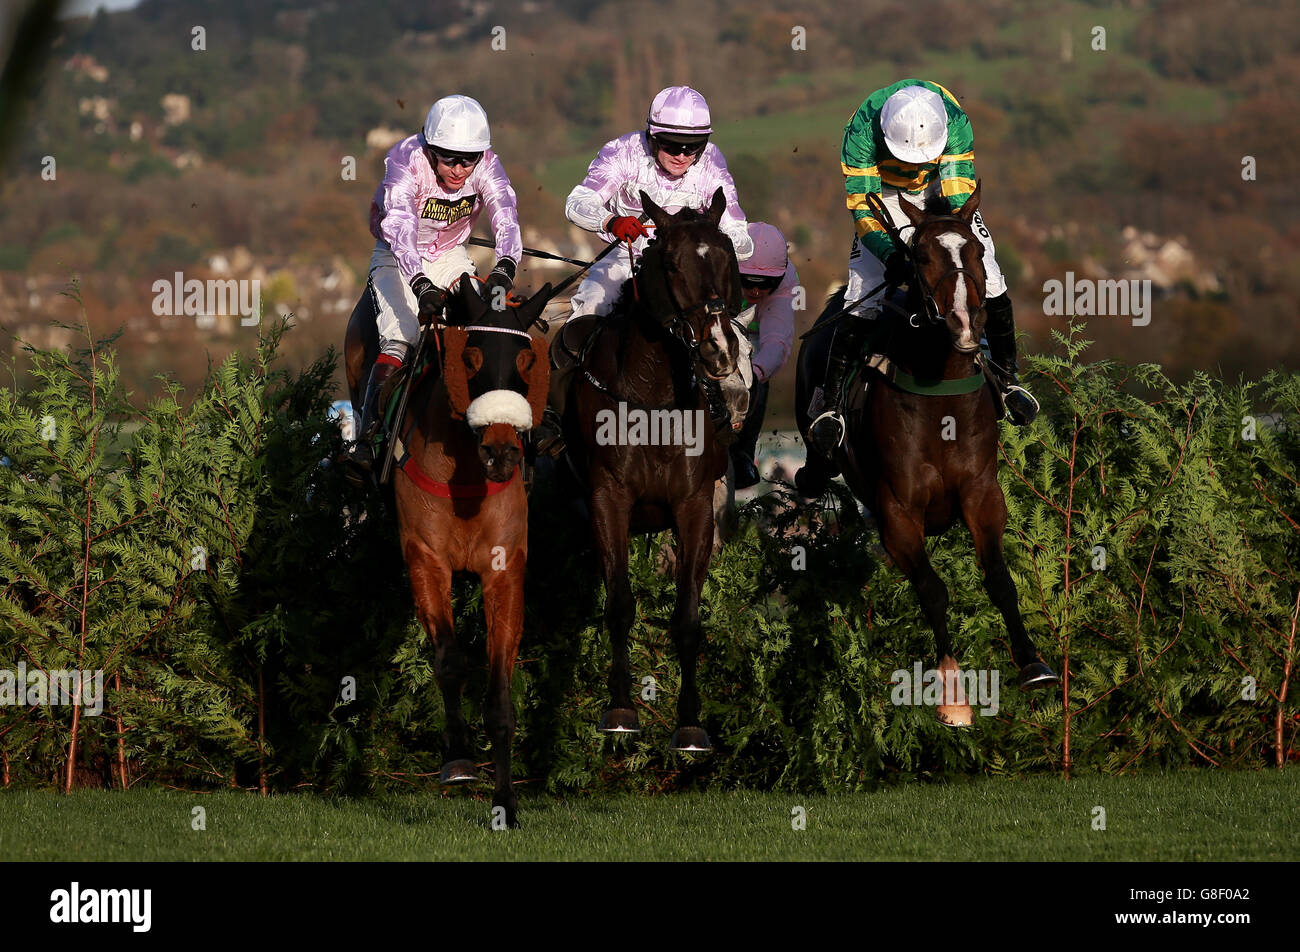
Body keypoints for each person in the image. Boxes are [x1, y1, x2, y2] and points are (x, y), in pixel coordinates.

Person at [806, 78, 1039, 464]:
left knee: (991, 276)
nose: (913, 165)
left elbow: (960, 195)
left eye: (920, 157)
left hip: (940, 191)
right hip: (884, 196)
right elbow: (864, 209)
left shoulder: (954, 120)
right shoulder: (861, 129)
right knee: (863, 291)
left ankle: (1009, 379)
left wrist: (952, 228)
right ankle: (831, 407)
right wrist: (891, 254)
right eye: (907, 157)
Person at [533, 85, 754, 456]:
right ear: (651, 136)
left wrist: (710, 237)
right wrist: (611, 221)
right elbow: (578, 202)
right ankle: (555, 417)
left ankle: (733, 434)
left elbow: (739, 234)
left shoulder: (712, 161)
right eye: (671, 145)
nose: (683, 155)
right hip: (626, 256)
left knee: (734, 339)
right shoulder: (623, 152)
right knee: (584, 316)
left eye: (692, 147)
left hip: (688, 272)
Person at [343, 94, 522, 483]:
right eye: (449, 158)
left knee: (489, 321)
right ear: (430, 147)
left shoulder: (486, 165)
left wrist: (505, 266)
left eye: (468, 159)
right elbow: (401, 230)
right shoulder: (405, 160)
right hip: (396, 255)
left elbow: (506, 215)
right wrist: (421, 285)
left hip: (450, 255)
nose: (459, 169)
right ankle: (368, 441)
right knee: (402, 336)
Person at [730, 222, 796, 489]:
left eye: (766, 284)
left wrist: (753, 375)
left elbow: (776, 342)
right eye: (748, 282)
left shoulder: (789, 278)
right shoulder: (717, 264)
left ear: (780, 277)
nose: (756, 292)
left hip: (753, 339)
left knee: (757, 367)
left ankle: (742, 453)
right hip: (717, 327)